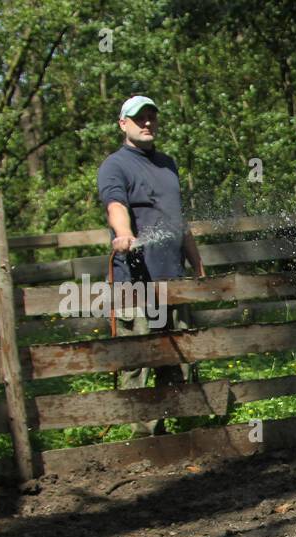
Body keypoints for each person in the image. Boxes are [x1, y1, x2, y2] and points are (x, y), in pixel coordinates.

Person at [96, 94, 205, 437]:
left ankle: (183, 434)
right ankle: (145, 440)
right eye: (139, 118)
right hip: (137, 283)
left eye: (151, 117)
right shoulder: (115, 165)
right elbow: (115, 204)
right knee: (140, 359)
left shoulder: (168, 165)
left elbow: (177, 219)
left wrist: (197, 263)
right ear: (123, 123)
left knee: (179, 359)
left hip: (174, 279)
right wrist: (124, 234)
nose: (147, 123)